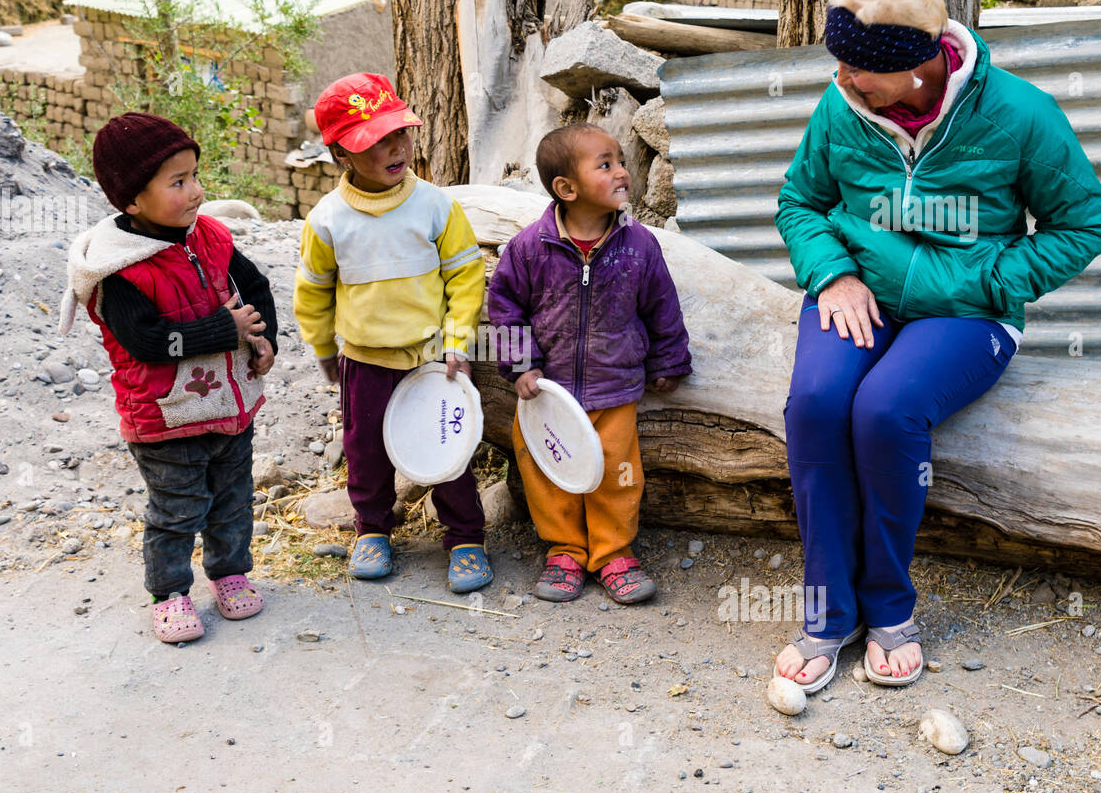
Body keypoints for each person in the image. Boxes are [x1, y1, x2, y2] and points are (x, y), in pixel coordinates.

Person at [773, 0, 1101, 691]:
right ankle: (829, 612)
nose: (842, 79)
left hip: (968, 311)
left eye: (860, 68)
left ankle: (890, 608)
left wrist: (995, 282)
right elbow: (801, 201)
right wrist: (832, 272)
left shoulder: (1021, 113)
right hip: (858, 292)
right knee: (815, 406)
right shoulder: (841, 107)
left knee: (887, 410)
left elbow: (1083, 224)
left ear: (918, 63)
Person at [58, 113, 277, 644]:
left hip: (229, 408)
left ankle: (229, 573)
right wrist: (225, 330)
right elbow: (149, 343)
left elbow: (255, 283)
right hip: (164, 417)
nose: (198, 191)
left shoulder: (210, 237)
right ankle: (170, 592)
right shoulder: (120, 270)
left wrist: (268, 338)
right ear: (132, 201)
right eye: (178, 183)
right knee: (178, 509)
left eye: (196, 175)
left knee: (232, 498)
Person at [292, 73, 490, 592]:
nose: (395, 147)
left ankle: (465, 537)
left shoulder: (436, 206)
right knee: (366, 452)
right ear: (341, 155)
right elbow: (313, 291)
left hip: (431, 358)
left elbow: (465, 277)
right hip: (365, 359)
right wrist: (322, 349)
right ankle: (373, 529)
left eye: (399, 133)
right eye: (376, 141)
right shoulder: (328, 220)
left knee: (448, 445)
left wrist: (456, 341)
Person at [487, 124, 692, 605]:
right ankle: (564, 551)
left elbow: (662, 307)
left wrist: (669, 360)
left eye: (621, 160)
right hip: (547, 396)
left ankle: (613, 552)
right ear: (566, 188)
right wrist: (520, 365)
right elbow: (505, 307)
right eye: (607, 164)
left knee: (617, 474)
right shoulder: (529, 248)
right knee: (548, 473)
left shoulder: (638, 245)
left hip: (614, 389)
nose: (623, 171)